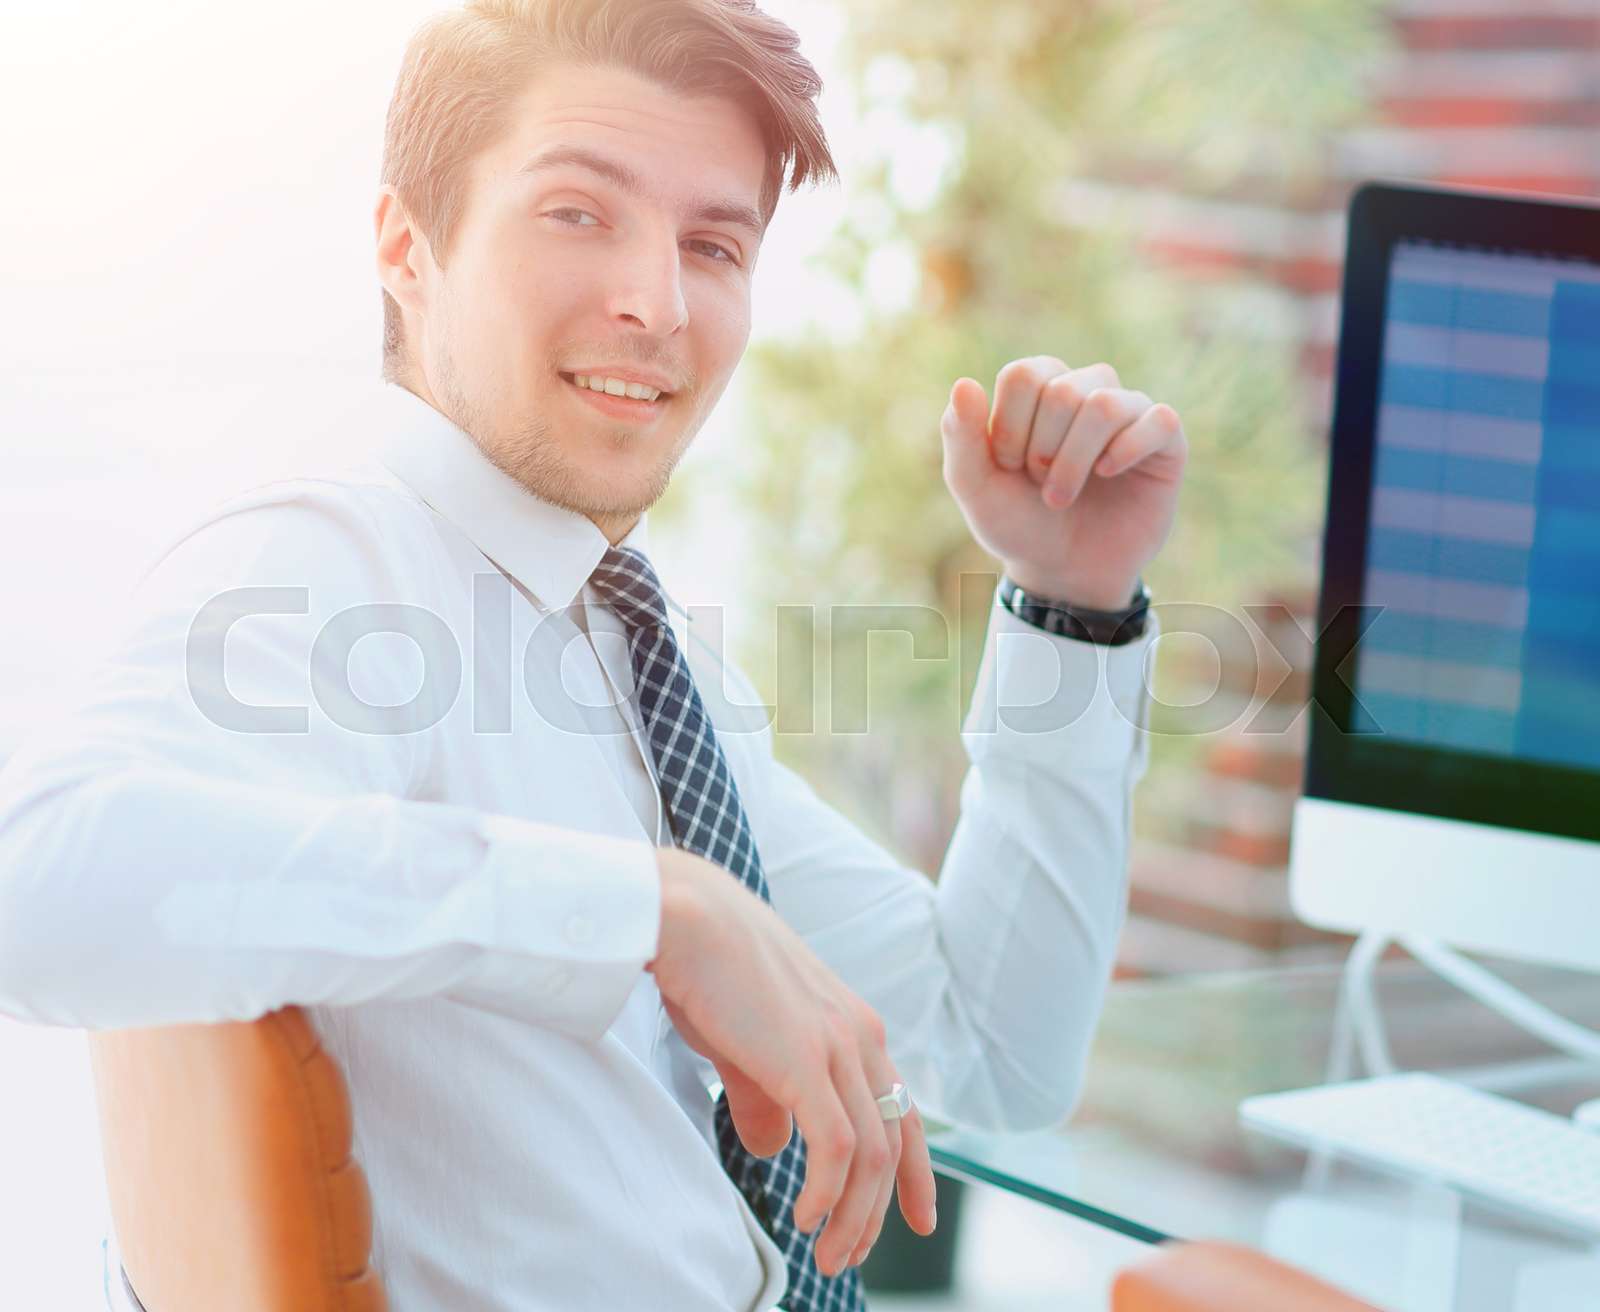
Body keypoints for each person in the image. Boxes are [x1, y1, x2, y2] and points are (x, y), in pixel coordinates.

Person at [0, 2, 1188, 1309]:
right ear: (407, 245)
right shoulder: (340, 563)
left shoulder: (630, 657)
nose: (657, 303)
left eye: (713, 243)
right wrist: (642, 913)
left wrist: (1072, 605)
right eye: (579, 213)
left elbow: (990, 1049)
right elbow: (35, 884)